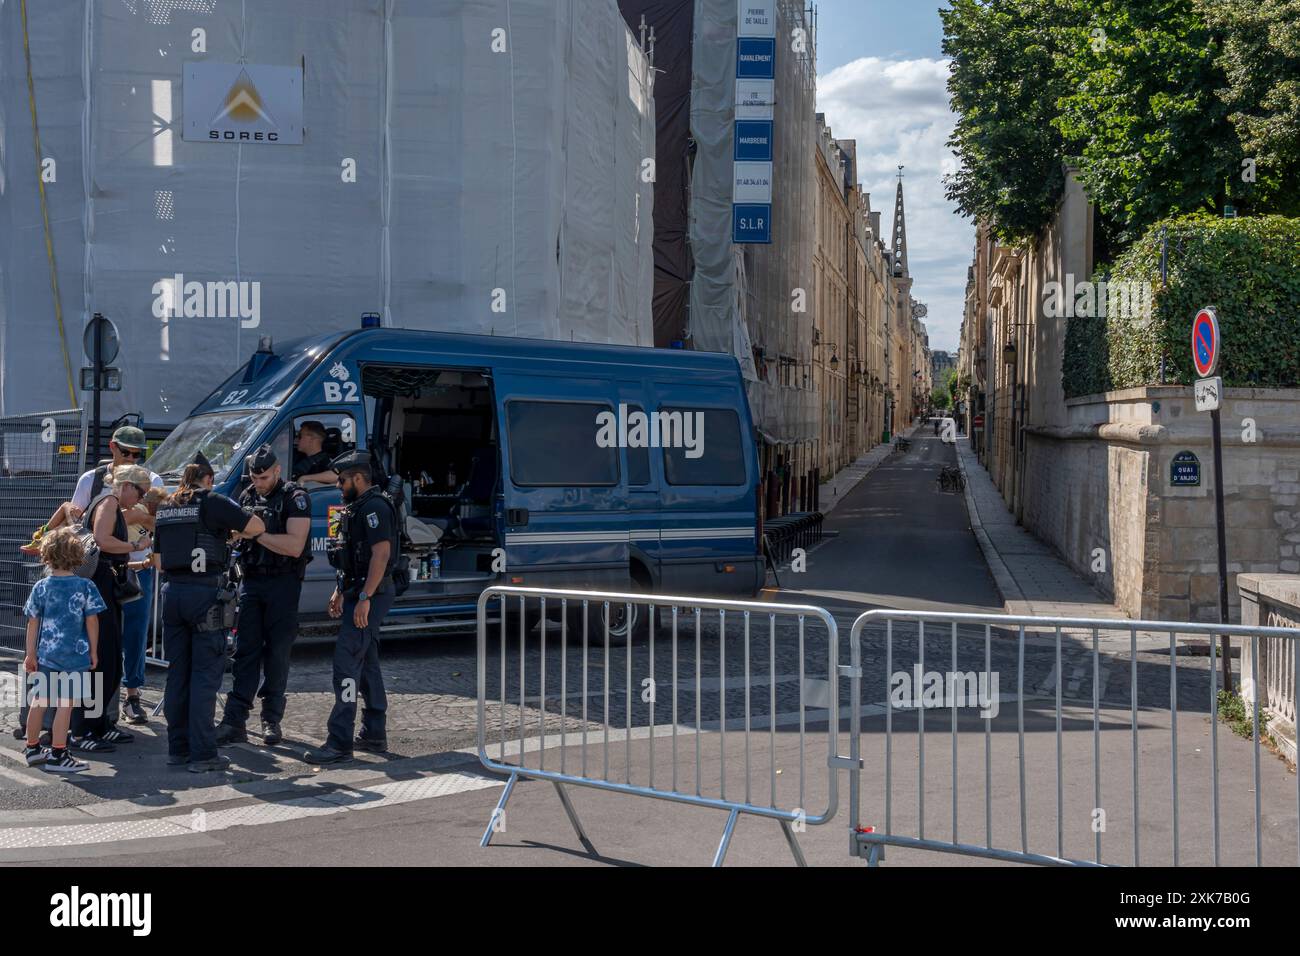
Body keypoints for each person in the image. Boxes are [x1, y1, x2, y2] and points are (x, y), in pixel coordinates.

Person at [151, 452, 263, 773]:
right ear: (209, 479)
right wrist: (231, 533)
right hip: (205, 595)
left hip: (172, 594)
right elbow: (256, 525)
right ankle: (203, 754)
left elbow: (158, 561)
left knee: (178, 675)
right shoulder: (213, 501)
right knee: (204, 677)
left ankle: (178, 749)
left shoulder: (167, 508)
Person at [216, 444, 312, 747]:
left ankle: (271, 718)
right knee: (245, 652)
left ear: (278, 471)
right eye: (255, 478)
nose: (259, 483)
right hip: (253, 582)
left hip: (284, 583)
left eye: (264, 477)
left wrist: (257, 534)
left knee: (277, 653)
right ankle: (234, 720)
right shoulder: (247, 496)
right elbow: (232, 534)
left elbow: (295, 546)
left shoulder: (295, 498)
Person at [305, 450, 397, 764]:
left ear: (358, 478)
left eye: (343, 480)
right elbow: (351, 558)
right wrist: (340, 591)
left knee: (346, 665)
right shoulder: (354, 507)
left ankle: (339, 741)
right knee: (366, 663)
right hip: (359, 590)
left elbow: (380, 556)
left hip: (372, 593)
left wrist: (365, 598)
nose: (339, 485)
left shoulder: (374, 507)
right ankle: (374, 733)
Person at [69, 464, 150, 752]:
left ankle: (99, 724)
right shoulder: (109, 502)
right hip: (98, 587)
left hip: (102, 587)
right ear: (126, 485)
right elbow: (102, 541)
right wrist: (135, 545)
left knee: (109, 660)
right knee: (100, 660)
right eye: (140, 492)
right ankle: (84, 730)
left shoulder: (108, 502)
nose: (139, 500)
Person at [21, 528, 106, 774]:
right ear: (78, 555)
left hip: (47, 653)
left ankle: (33, 748)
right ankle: (59, 753)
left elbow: (32, 621)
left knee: (39, 700)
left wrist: (30, 653)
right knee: (65, 705)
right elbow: (92, 621)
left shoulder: (41, 586)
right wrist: (93, 651)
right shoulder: (85, 586)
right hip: (75, 654)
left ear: (47, 555)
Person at [20, 425, 157, 554]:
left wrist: (140, 518)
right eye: (126, 453)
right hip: (96, 562)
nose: (131, 459)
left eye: (137, 455)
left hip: (139, 563)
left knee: (67, 507)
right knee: (67, 508)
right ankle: (43, 538)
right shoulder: (92, 480)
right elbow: (81, 528)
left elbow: (162, 526)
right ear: (112, 447)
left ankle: (43, 538)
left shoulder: (151, 480)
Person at [292, 421, 336, 485]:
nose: (296, 440)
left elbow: (336, 475)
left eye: (300, 436)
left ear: (312, 439)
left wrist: (305, 478)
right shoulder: (298, 455)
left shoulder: (323, 461)